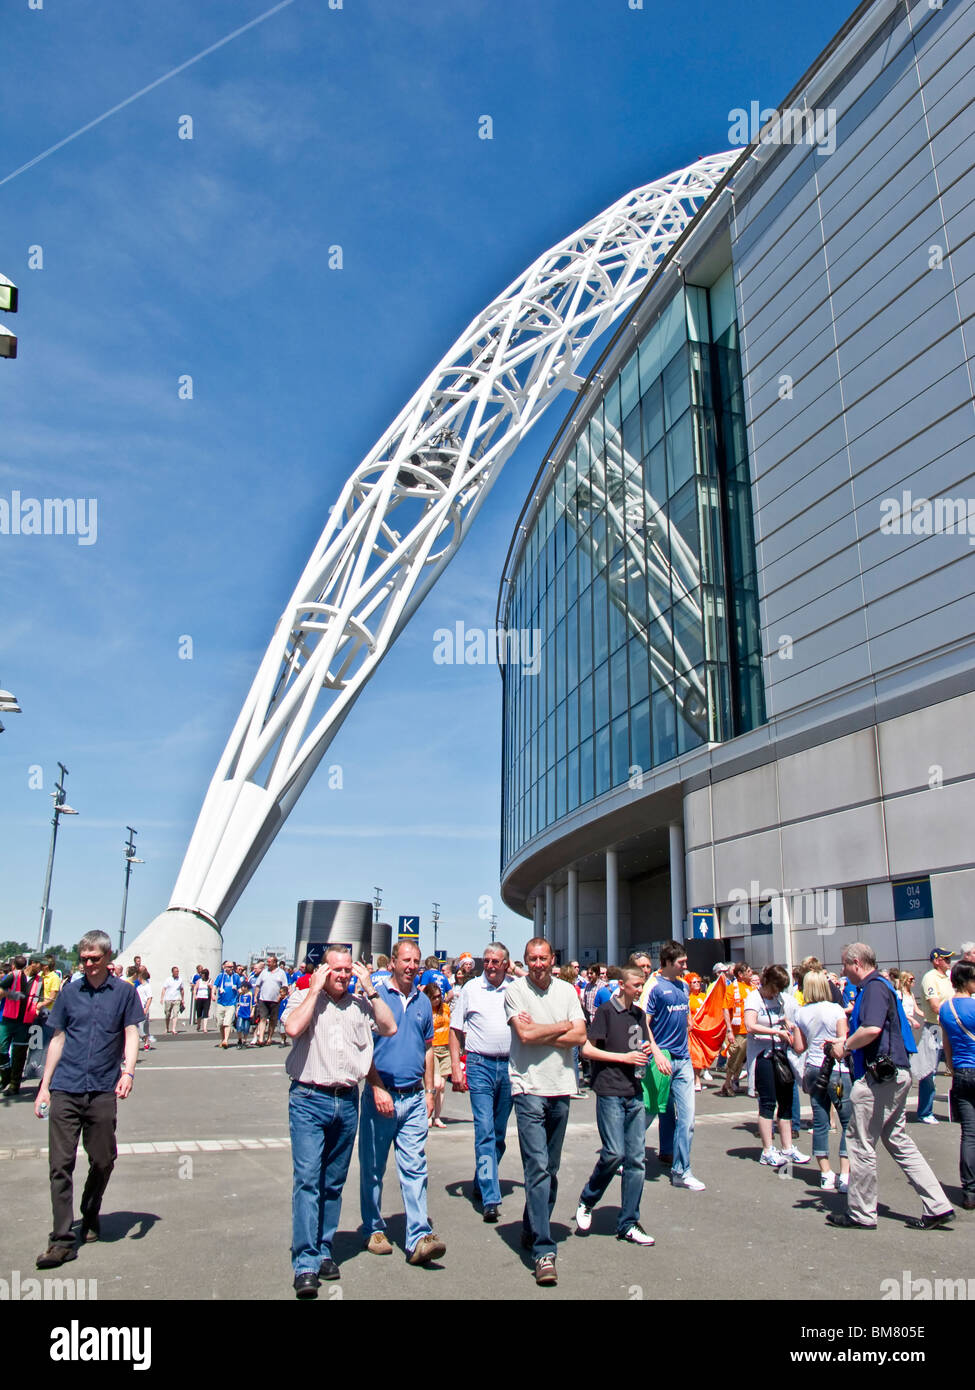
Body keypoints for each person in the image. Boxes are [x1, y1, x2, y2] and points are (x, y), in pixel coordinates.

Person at [282, 947, 396, 1297]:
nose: (344, 975)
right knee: (307, 1181)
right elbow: (292, 1028)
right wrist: (315, 990)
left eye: (349, 969)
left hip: (346, 1101)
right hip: (309, 1099)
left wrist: (371, 988)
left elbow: (389, 1027)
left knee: (333, 1181)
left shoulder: (361, 1004)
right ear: (322, 971)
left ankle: (324, 1248)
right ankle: (305, 1261)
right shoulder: (304, 997)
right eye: (337, 970)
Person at [33, 931, 143, 1268]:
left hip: (101, 1088)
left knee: (103, 1159)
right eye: (84, 959)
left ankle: (91, 1208)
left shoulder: (124, 993)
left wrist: (128, 1072)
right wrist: (44, 1085)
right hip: (66, 1087)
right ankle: (61, 1240)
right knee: (60, 1165)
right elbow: (58, 1038)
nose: (88, 964)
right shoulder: (69, 992)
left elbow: (131, 1033)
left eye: (94, 958)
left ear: (108, 958)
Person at [826, 942, 953, 1231]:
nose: (843, 970)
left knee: (860, 1143)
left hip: (879, 1075)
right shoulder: (881, 986)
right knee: (898, 1140)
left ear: (856, 963)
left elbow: (871, 1029)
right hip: (896, 1072)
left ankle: (862, 1212)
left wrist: (844, 1046)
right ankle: (937, 1204)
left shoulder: (872, 988)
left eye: (845, 964)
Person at [358, 939, 446, 1266]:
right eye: (406, 960)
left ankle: (419, 1236)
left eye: (416, 961)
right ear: (393, 961)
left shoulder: (424, 1002)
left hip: (412, 1097)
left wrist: (429, 1092)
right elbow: (362, 1046)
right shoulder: (376, 996)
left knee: (415, 1167)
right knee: (373, 1167)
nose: (411, 966)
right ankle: (373, 1228)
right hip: (381, 1095)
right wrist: (377, 1086)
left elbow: (427, 1050)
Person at [504, 937, 586, 1285]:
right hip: (528, 1086)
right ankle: (543, 1249)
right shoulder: (515, 991)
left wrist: (543, 1030)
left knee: (550, 1168)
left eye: (543, 958)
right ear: (525, 960)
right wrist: (559, 1027)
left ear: (553, 959)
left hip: (561, 1086)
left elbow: (581, 1036)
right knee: (536, 1166)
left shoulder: (568, 991)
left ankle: (530, 1225)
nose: (538, 964)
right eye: (531, 959)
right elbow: (524, 1035)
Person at [575, 966, 654, 1245]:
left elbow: (641, 1043)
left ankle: (629, 1222)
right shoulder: (607, 1011)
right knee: (613, 1153)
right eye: (635, 985)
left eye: (642, 985)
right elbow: (587, 1049)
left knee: (636, 1160)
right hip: (609, 1089)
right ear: (622, 984)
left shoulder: (639, 1014)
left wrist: (645, 1051)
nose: (639, 989)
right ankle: (588, 1198)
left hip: (634, 1090)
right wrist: (624, 1059)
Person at [449, 943, 513, 1222]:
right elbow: (455, 1029)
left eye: (496, 961)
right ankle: (490, 1196)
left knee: (498, 1134)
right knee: (484, 1129)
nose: (490, 965)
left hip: (510, 1067)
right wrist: (455, 1068)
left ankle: (481, 1177)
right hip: (479, 1064)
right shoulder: (470, 989)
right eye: (486, 961)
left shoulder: (515, 989)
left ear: (506, 964)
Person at [643, 941, 706, 1191]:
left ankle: (682, 1170)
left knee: (687, 1119)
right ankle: (625, 1153)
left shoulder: (683, 985)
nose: (686, 966)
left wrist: (688, 1022)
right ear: (668, 963)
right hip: (663, 1060)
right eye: (681, 963)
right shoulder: (654, 986)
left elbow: (684, 1014)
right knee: (649, 1113)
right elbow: (644, 1022)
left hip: (684, 1060)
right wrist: (656, 1053)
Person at [744, 964, 807, 1169]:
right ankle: (767, 1149)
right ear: (768, 982)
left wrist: (786, 1023)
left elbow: (782, 1017)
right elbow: (750, 1025)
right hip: (763, 1054)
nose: (777, 992)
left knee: (786, 1100)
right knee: (768, 1102)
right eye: (775, 988)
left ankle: (787, 1147)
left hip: (781, 1054)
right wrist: (775, 1032)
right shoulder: (754, 999)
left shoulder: (778, 999)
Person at [794, 970, 851, 1190]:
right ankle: (845, 1174)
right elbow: (843, 1040)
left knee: (820, 1121)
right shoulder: (836, 1009)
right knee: (847, 1122)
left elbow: (799, 1047)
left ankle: (826, 1172)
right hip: (837, 1068)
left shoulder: (801, 1013)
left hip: (813, 1067)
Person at [939, 959, 975, 1211]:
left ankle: (970, 1191)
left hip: (961, 1072)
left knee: (969, 1134)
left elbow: (947, 1041)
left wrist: (951, 1065)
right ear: (966, 980)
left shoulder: (946, 1008)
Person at [917, 948, 955, 1123]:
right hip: (935, 1028)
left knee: (957, 1069)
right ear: (936, 960)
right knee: (928, 1071)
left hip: (950, 1027)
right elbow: (935, 1005)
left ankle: (959, 1110)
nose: (948, 962)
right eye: (946, 960)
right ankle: (925, 1111)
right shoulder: (930, 978)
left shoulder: (948, 978)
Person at [0, 953, 44, 1095]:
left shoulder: (40, 981)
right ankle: (6, 1073)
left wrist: (39, 1007)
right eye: (40, 964)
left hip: (25, 1022)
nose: (42, 967)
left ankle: (14, 1086)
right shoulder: (15, 975)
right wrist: (12, 995)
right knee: (1, 1048)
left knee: (19, 1055)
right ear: (33, 963)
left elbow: (40, 999)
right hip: (8, 1018)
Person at [719, 962, 751, 1096]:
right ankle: (727, 1083)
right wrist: (729, 1030)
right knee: (735, 1058)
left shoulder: (753, 988)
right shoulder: (732, 988)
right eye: (748, 971)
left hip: (751, 1030)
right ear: (741, 974)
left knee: (744, 1059)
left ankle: (735, 1082)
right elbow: (726, 1009)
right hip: (739, 1031)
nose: (751, 973)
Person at [424, 983, 450, 1127]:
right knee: (436, 1084)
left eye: (439, 997)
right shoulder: (427, 1010)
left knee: (442, 1087)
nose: (437, 1000)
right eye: (434, 997)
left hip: (445, 1048)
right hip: (432, 1048)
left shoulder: (445, 1008)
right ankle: (428, 1113)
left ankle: (437, 1117)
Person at [255, 955, 289, 1046]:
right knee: (262, 1018)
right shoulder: (264, 972)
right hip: (263, 999)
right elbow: (258, 985)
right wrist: (255, 997)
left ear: (274, 963)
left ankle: (269, 1038)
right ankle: (261, 1038)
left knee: (273, 1020)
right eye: (267, 962)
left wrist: (281, 996)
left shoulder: (281, 973)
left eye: (269, 962)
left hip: (275, 1000)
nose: (267, 963)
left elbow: (285, 986)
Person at [212, 961, 242, 1049]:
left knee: (227, 1022)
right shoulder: (221, 976)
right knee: (220, 1022)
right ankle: (223, 1039)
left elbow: (240, 988)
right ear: (224, 967)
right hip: (221, 1003)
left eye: (232, 967)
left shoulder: (236, 977)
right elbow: (214, 986)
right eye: (229, 967)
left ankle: (226, 1040)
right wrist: (213, 994)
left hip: (231, 1003)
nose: (231, 968)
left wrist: (241, 993)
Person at [160, 967, 185, 1034]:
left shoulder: (180, 980)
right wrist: (162, 998)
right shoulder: (168, 979)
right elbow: (164, 989)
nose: (177, 973)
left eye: (178, 971)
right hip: (168, 999)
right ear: (172, 972)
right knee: (167, 1014)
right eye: (175, 971)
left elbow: (182, 990)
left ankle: (173, 1029)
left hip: (177, 999)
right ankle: (167, 1027)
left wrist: (182, 999)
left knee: (175, 1013)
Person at [135, 971, 153, 1051]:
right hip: (137, 1008)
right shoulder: (139, 987)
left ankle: (146, 1041)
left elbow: (149, 998)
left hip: (143, 1008)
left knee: (142, 1027)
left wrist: (146, 1008)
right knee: (137, 1027)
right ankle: (145, 1040)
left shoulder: (147, 986)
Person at [235, 982, 255, 1047]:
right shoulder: (240, 995)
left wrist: (252, 1012)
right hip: (241, 1013)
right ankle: (239, 1039)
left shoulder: (250, 995)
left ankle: (245, 1040)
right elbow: (238, 1004)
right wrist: (237, 1011)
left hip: (247, 1013)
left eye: (243, 987)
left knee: (246, 1028)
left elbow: (253, 1005)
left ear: (246, 987)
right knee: (239, 1027)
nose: (242, 988)